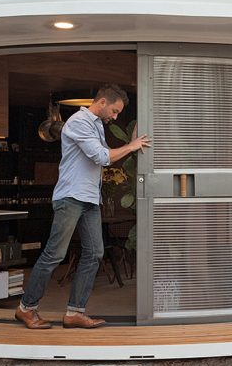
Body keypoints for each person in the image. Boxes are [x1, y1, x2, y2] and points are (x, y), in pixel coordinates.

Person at [15, 84, 150, 329]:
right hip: (71, 197)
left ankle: (75, 312)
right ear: (102, 103)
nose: (116, 117)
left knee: (94, 253)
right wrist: (130, 147)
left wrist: (131, 144)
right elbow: (101, 157)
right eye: (115, 111)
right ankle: (26, 308)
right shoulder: (78, 122)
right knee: (54, 254)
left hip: (89, 199)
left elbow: (106, 154)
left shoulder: (96, 124)